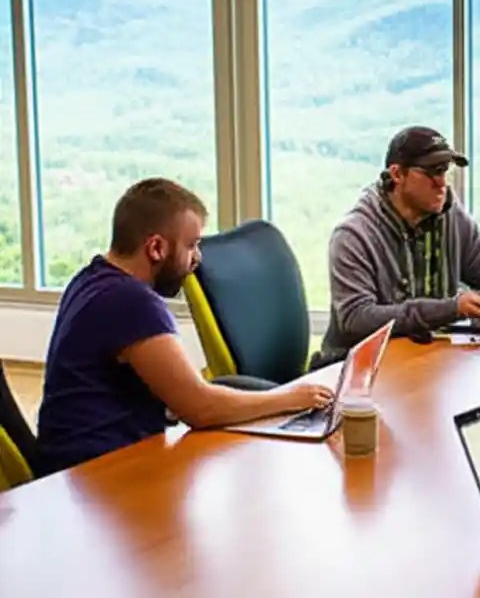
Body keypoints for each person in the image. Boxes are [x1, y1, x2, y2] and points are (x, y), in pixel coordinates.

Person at [37, 178, 333, 475]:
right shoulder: (132, 302)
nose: (197, 259)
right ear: (156, 248)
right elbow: (199, 408)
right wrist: (292, 397)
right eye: (191, 246)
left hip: (75, 468)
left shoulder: (89, 280)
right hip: (100, 474)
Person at [319, 126, 480, 367]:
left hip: (427, 361)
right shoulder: (353, 235)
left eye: (445, 171)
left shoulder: (450, 215)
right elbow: (357, 319)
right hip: (359, 370)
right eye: (432, 172)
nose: (442, 183)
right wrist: (451, 309)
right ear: (397, 174)